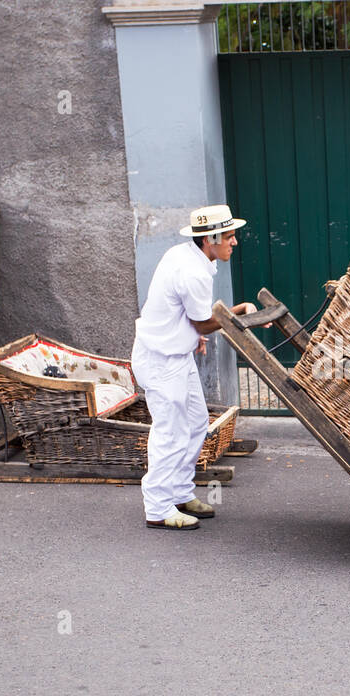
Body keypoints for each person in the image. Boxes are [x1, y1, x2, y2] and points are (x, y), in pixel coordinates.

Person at [133, 204, 262, 531]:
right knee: (170, 431)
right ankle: (158, 507)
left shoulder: (187, 256)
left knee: (193, 423)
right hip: (162, 360)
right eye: (230, 237)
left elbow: (186, 315)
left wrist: (193, 331)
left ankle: (178, 491)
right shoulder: (192, 271)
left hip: (174, 353)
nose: (234, 243)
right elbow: (204, 322)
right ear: (211, 239)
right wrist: (240, 314)